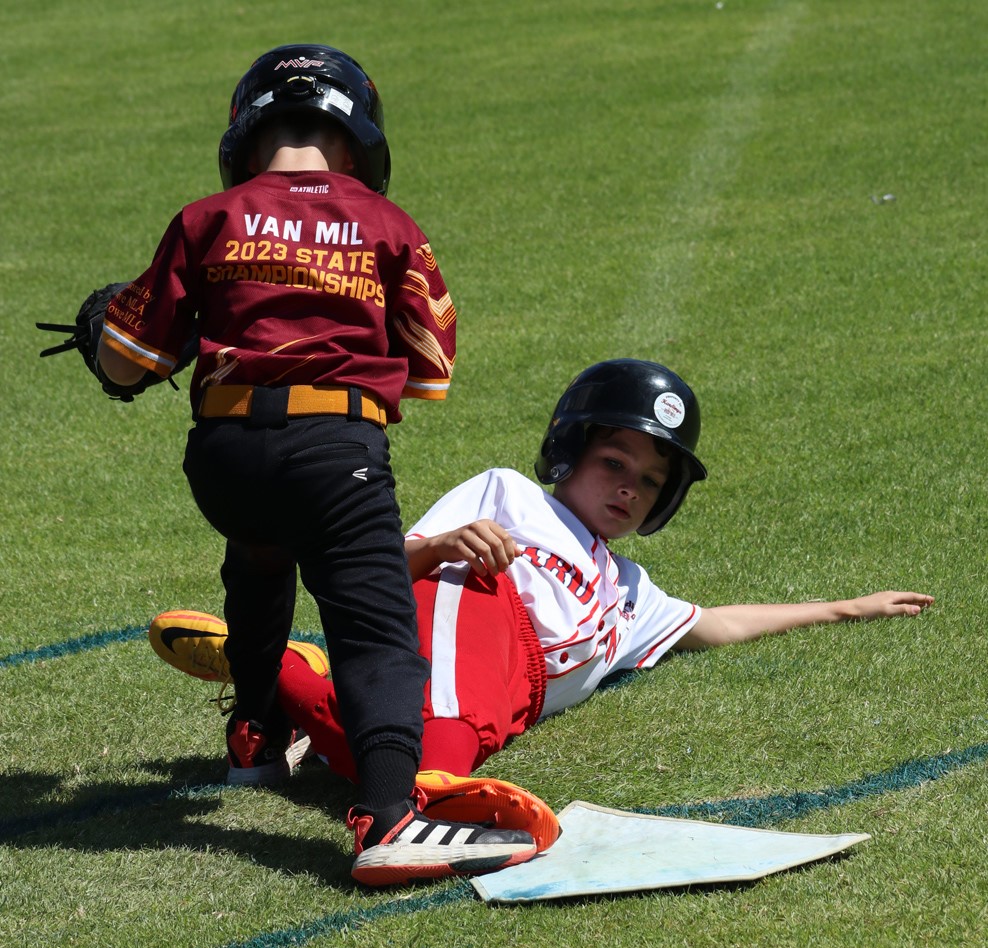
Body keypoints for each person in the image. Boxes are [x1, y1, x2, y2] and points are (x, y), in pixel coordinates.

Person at [152, 358, 933, 871]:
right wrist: (446, 545)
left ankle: (276, 683)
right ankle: (416, 782)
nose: (629, 488)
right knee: (470, 642)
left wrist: (842, 608)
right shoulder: (510, 496)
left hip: (503, 696)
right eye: (614, 463)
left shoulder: (630, 589)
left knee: (399, 727)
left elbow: (714, 622)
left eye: (650, 482)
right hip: (456, 612)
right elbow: (374, 572)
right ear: (570, 452)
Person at [97, 43, 539, 886]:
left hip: (220, 457)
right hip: (335, 448)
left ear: (246, 129)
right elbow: (427, 372)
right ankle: (389, 817)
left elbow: (127, 361)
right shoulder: (389, 224)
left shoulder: (205, 216)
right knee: (375, 626)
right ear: (359, 135)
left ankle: (254, 735)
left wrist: (108, 330)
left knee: (261, 551)